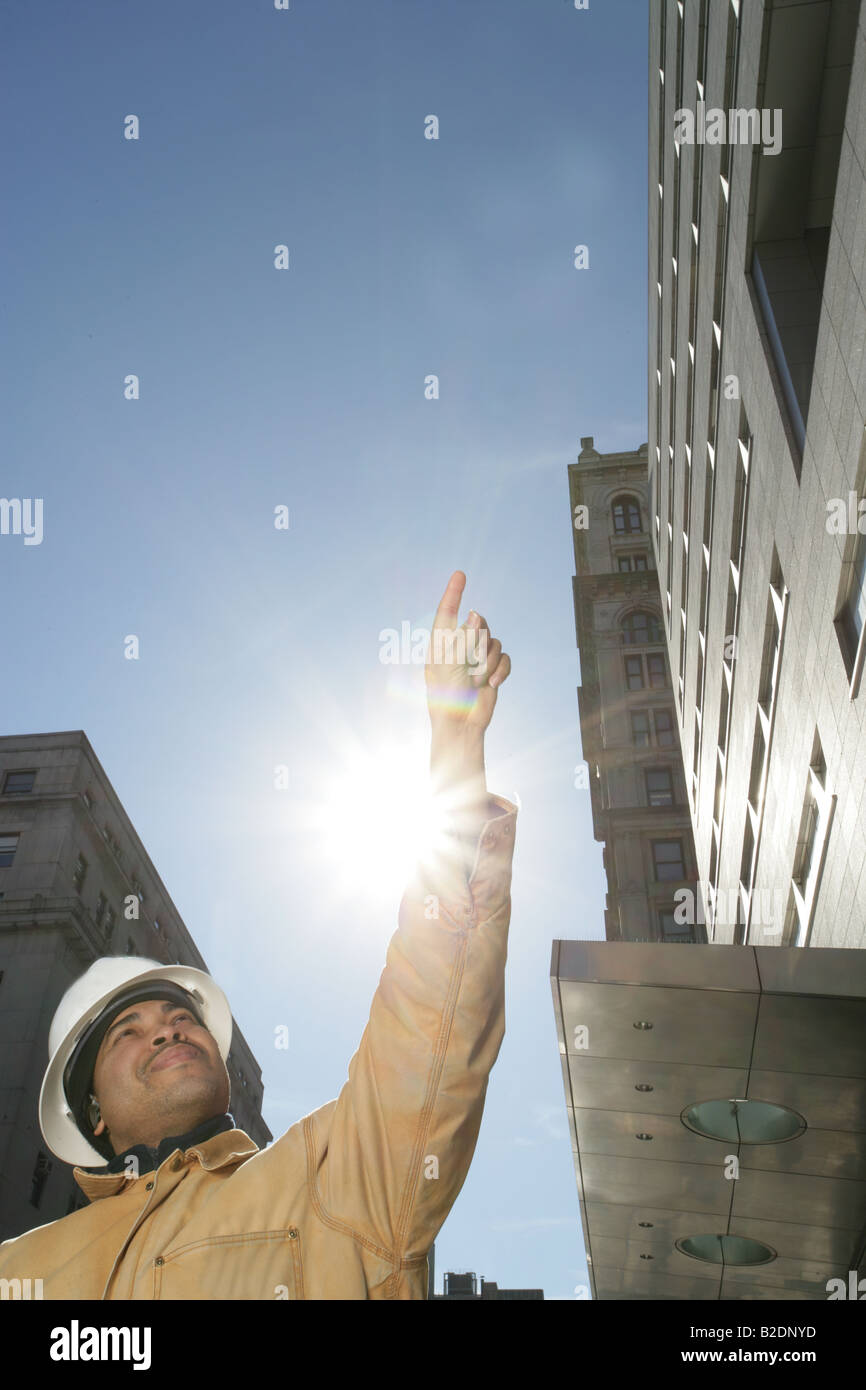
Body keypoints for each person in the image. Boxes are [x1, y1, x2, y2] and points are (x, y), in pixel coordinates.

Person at [0, 571, 517, 1299]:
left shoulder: (326, 1181)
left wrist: (455, 757)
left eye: (181, 1018)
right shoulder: (20, 1268)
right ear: (90, 1110)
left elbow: (428, 1031)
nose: (168, 1031)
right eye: (129, 1032)